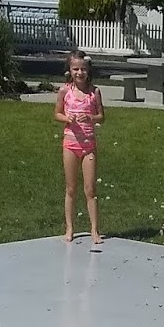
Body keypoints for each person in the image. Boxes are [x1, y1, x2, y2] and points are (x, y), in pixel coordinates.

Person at [55, 50, 105, 245]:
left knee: (90, 188)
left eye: (83, 69)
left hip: (88, 145)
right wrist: (67, 118)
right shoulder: (64, 91)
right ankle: (70, 227)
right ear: (69, 70)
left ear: (88, 70)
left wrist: (91, 118)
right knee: (70, 188)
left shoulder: (94, 92)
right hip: (70, 144)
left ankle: (94, 229)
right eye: (75, 69)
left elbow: (102, 116)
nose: (79, 73)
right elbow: (56, 113)